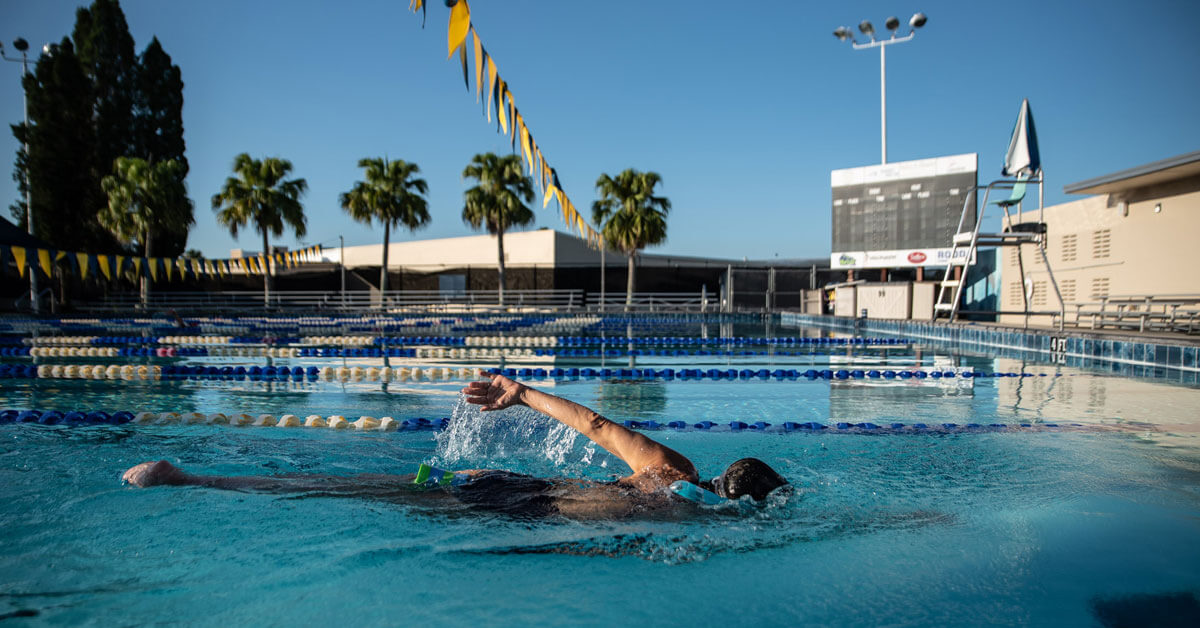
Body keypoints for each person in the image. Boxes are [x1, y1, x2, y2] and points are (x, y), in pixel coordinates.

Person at [122, 373, 790, 520]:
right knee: (356, 493)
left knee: (356, 486)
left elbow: (593, 426)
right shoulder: (686, 514)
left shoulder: (670, 471)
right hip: (514, 505)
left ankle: (191, 478)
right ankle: (184, 481)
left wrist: (521, 393)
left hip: (503, 480)